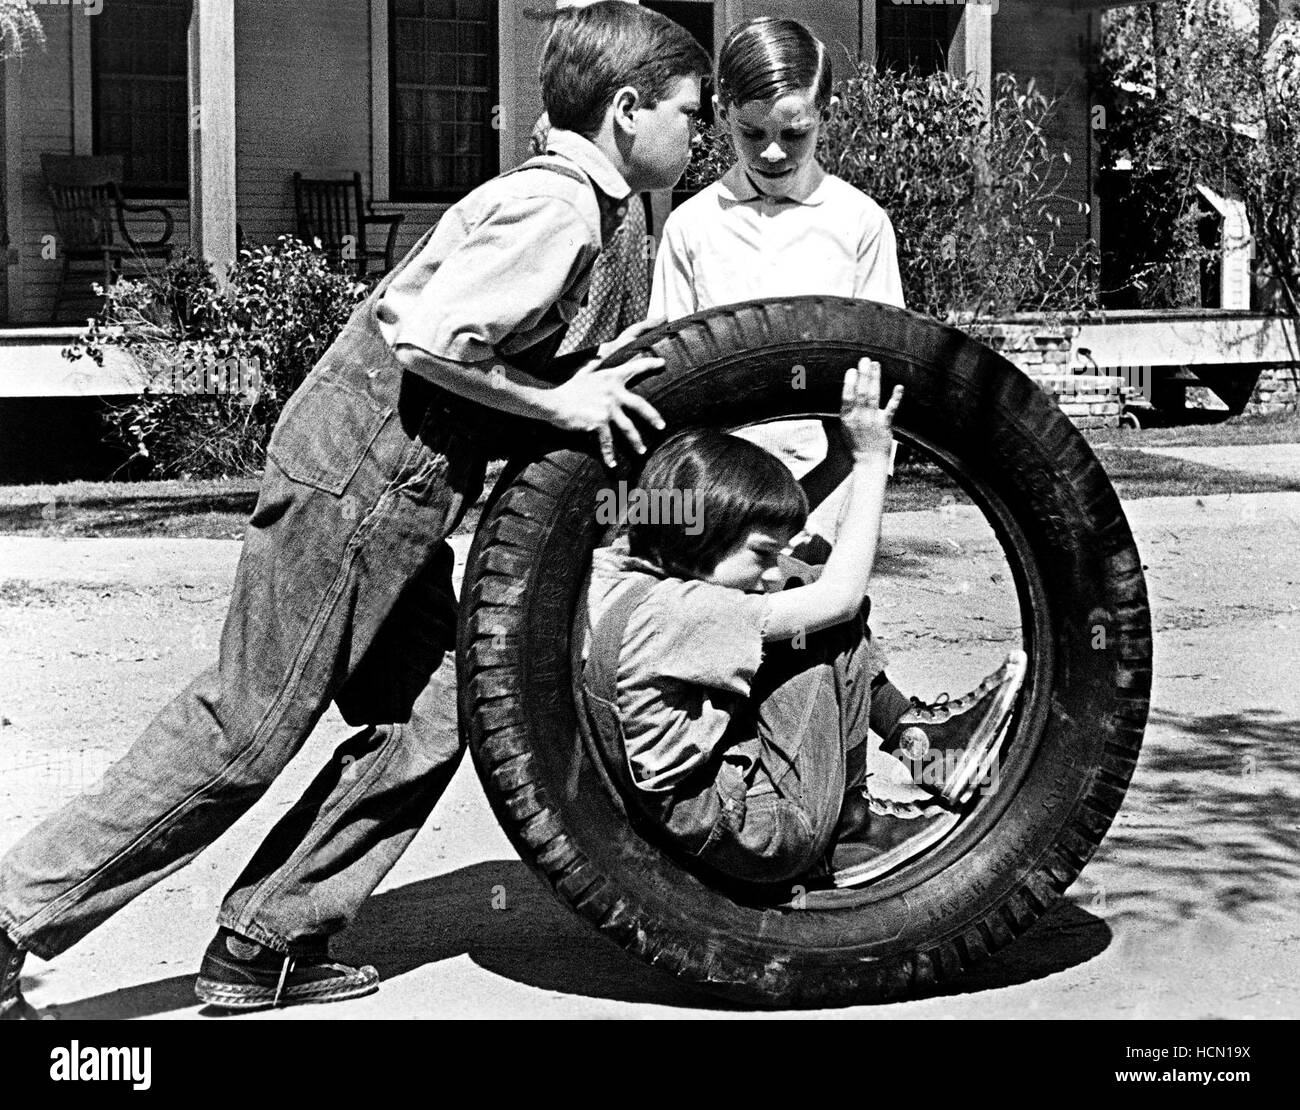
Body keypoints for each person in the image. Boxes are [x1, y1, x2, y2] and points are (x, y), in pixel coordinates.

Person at [0, 1, 710, 1019]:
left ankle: (267, 938)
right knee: (247, 727)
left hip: (406, 480)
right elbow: (431, 339)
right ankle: (11, 920)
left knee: (430, 714)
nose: (701, 132)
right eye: (691, 111)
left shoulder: (601, 212)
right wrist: (560, 402)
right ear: (628, 109)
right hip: (364, 468)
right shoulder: (556, 206)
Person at [648, 16, 1026, 814]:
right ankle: (894, 763)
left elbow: (888, 365)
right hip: (727, 481)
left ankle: (856, 794)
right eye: (752, 134)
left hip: (827, 469)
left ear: (825, 111)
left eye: (795, 131)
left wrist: (861, 475)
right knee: (779, 648)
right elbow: (675, 374)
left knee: (825, 631)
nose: (775, 153)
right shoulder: (692, 226)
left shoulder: (858, 222)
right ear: (723, 117)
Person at [585, 360, 909, 883]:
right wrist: (872, 461)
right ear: (701, 534)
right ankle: (853, 822)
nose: (770, 568)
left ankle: (911, 742)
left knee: (794, 580)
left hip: (680, 816)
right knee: (814, 604)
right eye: (761, 553)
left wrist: (839, 458)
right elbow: (842, 597)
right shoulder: (684, 614)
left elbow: (755, 527)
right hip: (761, 832)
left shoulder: (615, 570)